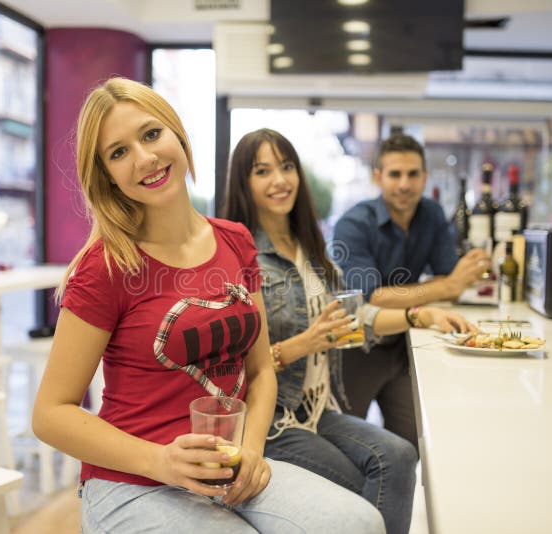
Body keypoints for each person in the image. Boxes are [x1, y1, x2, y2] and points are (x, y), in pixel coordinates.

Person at [32, 78, 386, 534]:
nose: (144, 158)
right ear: (106, 175)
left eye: (150, 134)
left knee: (360, 523)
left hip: (228, 468)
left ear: (178, 134)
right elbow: (50, 413)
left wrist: (253, 449)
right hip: (133, 481)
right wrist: (160, 460)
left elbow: (260, 372)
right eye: (118, 153)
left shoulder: (234, 241)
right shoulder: (105, 268)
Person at [223, 128, 476, 533]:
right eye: (262, 171)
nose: (280, 180)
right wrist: (304, 343)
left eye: (287, 167)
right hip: (272, 421)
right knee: (368, 483)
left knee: (400, 453)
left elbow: (355, 317)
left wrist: (419, 316)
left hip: (319, 409)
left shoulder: (310, 246)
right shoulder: (239, 254)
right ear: (243, 182)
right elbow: (233, 362)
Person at [332, 132, 489, 445]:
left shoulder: (430, 214)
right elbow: (372, 297)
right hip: (356, 347)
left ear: (424, 177)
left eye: (413, 174)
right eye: (395, 174)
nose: (404, 184)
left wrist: (456, 280)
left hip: (406, 345)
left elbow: (452, 284)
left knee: (411, 445)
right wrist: (445, 286)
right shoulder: (353, 224)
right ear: (378, 177)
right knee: (347, 446)